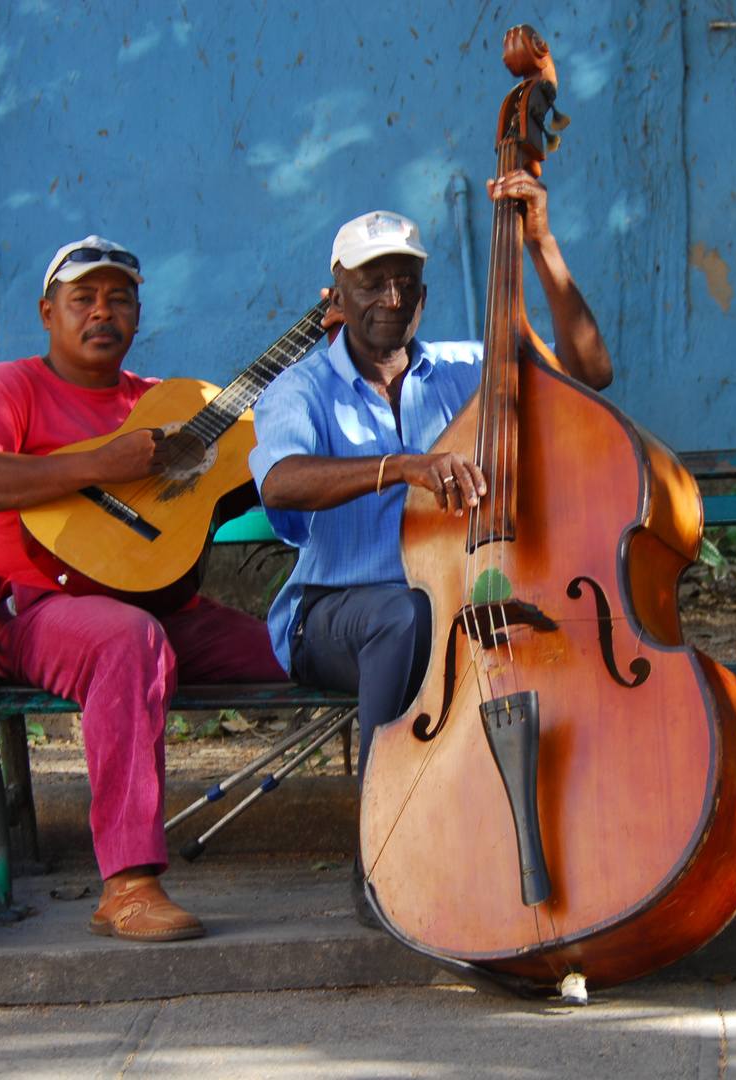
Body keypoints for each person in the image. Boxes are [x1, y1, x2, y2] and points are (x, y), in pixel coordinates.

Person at [249, 175, 611, 921]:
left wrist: (540, 241)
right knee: (402, 615)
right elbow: (281, 483)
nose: (389, 298)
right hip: (334, 613)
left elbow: (589, 374)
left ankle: (558, 840)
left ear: (422, 294)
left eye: (404, 283)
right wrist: (402, 467)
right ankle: (381, 856)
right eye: (370, 283)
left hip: (452, 603)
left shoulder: (465, 368)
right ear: (335, 299)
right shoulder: (301, 388)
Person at [0, 235, 286, 942]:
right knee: (129, 640)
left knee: (319, 643)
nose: (103, 312)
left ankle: (408, 842)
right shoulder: (11, 388)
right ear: (47, 312)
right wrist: (103, 462)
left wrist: (331, 356)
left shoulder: (171, 403)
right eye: (83, 298)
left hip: (166, 606)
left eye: (119, 299)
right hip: (40, 610)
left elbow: (267, 451)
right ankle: (127, 887)